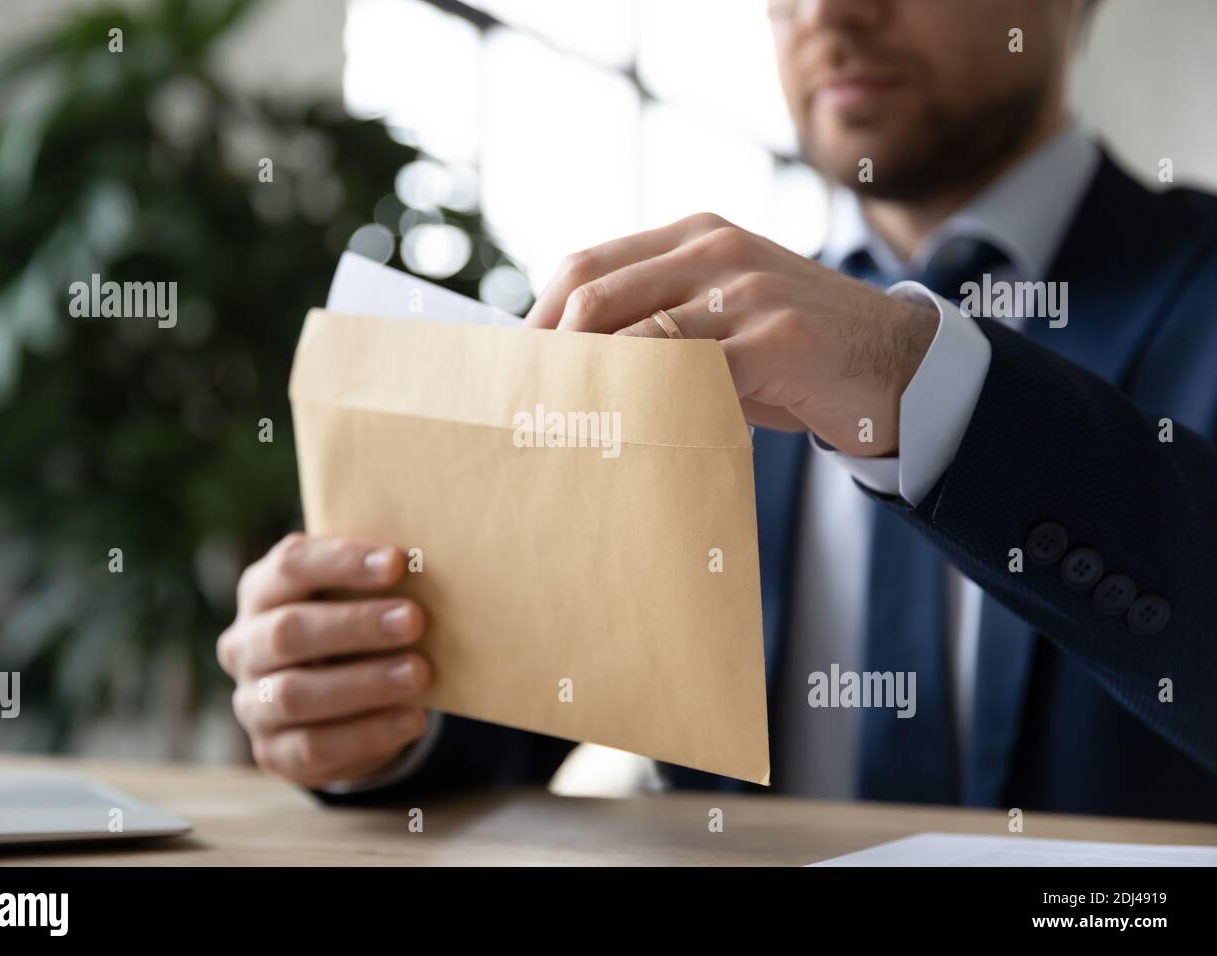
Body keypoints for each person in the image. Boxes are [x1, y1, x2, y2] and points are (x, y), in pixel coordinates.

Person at [217, 0, 1217, 819]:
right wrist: (368, 697)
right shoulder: (699, 339)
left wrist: (915, 378)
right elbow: (522, 693)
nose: (831, 13)